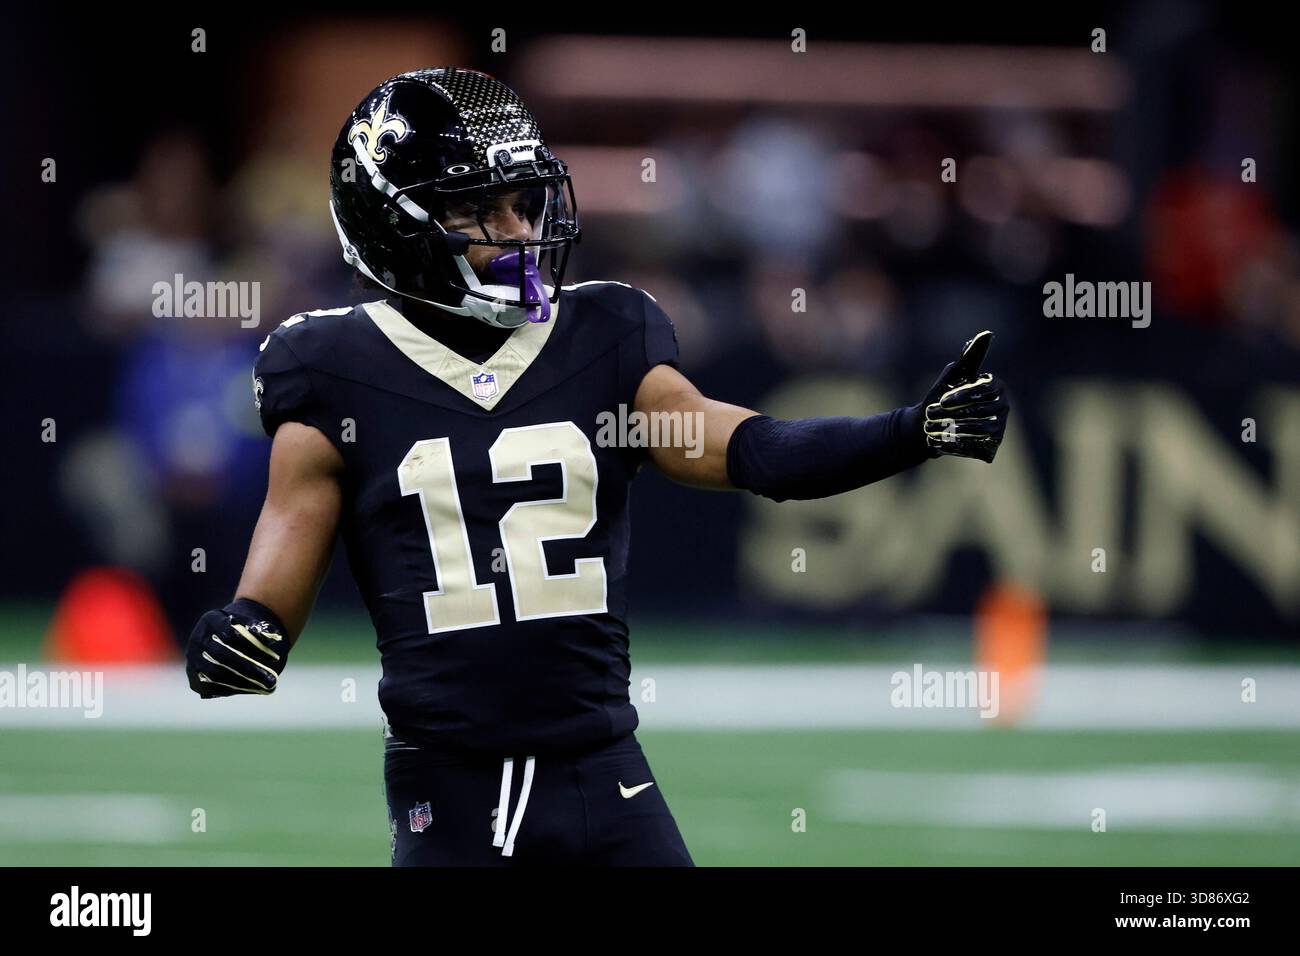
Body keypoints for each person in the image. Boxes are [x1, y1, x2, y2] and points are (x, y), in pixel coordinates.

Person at [184, 67, 1010, 866]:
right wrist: (242, 633)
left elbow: (751, 450)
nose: (515, 232)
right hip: (455, 795)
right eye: (480, 211)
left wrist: (909, 431)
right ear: (395, 225)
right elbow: (275, 578)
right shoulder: (329, 365)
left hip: (609, 775)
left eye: (522, 204)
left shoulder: (605, 334)